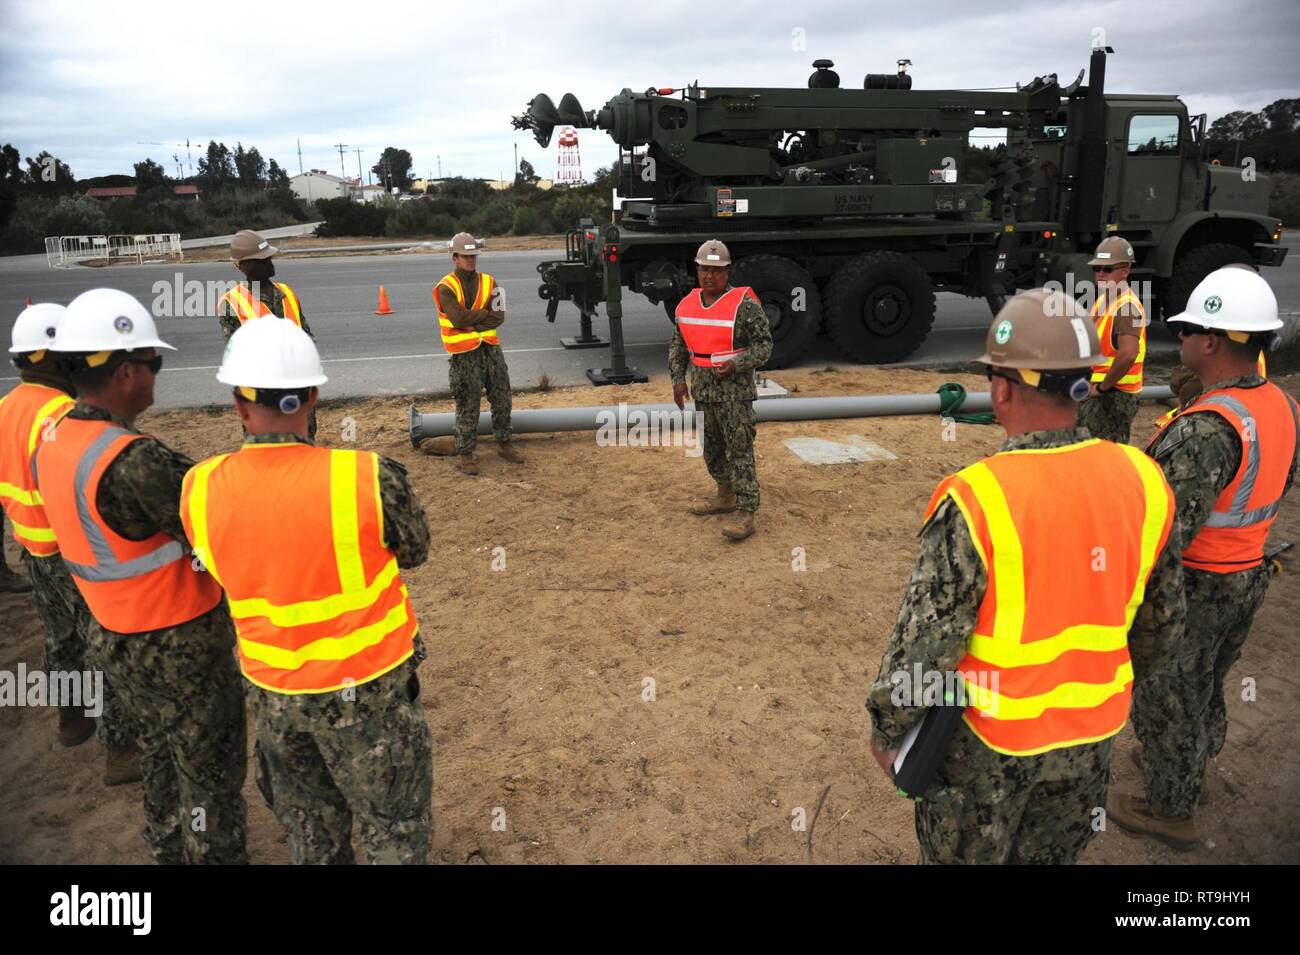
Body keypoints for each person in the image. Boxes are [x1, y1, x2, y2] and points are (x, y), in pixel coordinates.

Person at [865, 289, 1186, 864]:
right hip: (1090, 743)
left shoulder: (978, 496)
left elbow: (925, 647)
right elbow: (1162, 628)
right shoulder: (1143, 478)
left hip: (985, 750)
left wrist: (889, 726)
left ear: (1003, 388)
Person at [181, 317, 434, 864]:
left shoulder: (199, 487)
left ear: (239, 405)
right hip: (371, 692)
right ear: (313, 397)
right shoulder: (368, 476)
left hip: (275, 696)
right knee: (394, 827)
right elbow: (414, 551)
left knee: (311, 833)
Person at [37, 288, 247, 864]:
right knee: (209, 770)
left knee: (157, 750)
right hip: (179, 641)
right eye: (154, 363)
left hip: (114, 634)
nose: (157, 373)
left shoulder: (54, 439)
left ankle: (168, 846)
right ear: (126, 371)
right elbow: (217, 525)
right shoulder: (133, 461)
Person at [1109, 266, 1298, 850]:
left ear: (1213, 341)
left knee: (1169, 694)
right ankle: (1191, 768)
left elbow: (1166, 532)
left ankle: (1170, 808)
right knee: (1207, 682)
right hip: (1247, 573)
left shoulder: (1206, 429)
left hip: (1197, 584)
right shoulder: (1282, 405)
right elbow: (1283, 480)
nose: (1179, 336)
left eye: (1188, 328)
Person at [0, 303, 139, 780]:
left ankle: (72, 720)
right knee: (106, 644)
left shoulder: (6, 407)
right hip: (76, 553)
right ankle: (121, 750)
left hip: (35, 551)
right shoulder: (58, 413)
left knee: (62, 640)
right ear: (52, 356)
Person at [668, 239, 773, 541]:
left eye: (715, 270)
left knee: (740, 450)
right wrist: (678, 379)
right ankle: (724, 494)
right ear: (697, 271)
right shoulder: (687, 304)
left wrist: (738, 364)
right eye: (704, 269)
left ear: (727, 272)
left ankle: (747, 510)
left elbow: (764, 346)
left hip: (735, 395)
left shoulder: (745, 306)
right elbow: (678, 345)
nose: (709, 276)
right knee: (712, 448)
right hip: (702, 392)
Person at [434, 231, 521, 475]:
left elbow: (499, 316)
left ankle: (504, 443)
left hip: (491, 349)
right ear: (454, 257)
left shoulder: (490, 282)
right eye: (465, 256)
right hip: (464, 355)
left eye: (473, 255)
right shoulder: (445, 288)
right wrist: (483, 316)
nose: (471, 260)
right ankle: (466, 453)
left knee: (503, 397)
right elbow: (457, 318)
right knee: (467, 403)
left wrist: (473, 321)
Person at [218, 229, 317, 440]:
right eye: (263, 260)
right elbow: (235, 356)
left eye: (269, 258)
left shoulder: (287, 293)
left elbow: (306, 335)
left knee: (304, 444)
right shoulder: (232, 304)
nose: (270, 263)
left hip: (297, 384)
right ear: (245, 266)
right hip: (261, 394)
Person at [1077, 236, 1146, 443]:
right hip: (1101, 391)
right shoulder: (1104, 300)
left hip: (1114, 396)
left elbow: (1129, 353)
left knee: (1103, 459)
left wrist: (1102, 387)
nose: (1100, 274)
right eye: (1097, 268)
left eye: (1107, 269)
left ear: (1125, 270)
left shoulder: (1127, 307)